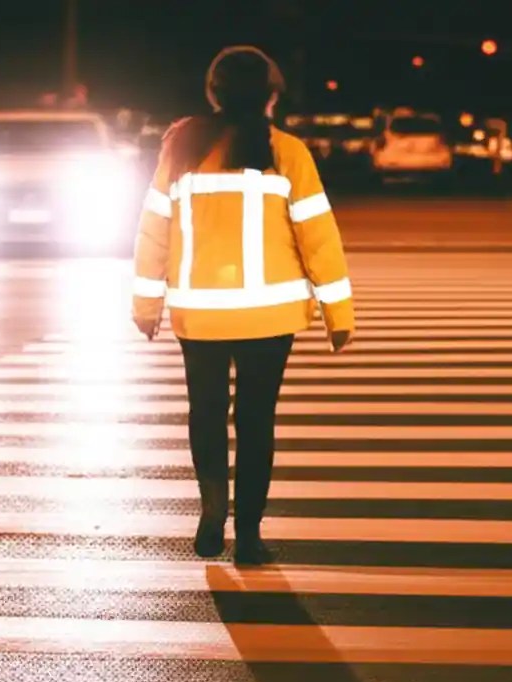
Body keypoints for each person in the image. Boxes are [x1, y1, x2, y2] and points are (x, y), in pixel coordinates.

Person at [130, 46, 354, 565]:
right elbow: (319, 236)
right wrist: (337, 314)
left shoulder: (182, 147)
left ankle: (212, 512)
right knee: (256, 422)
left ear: (214, 93)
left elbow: (153, 230)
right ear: (271, 96)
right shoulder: (288, 152)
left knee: (205, 415)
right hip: (269, 317)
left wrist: (146, 306)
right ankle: (249, 536)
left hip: (199, 314)